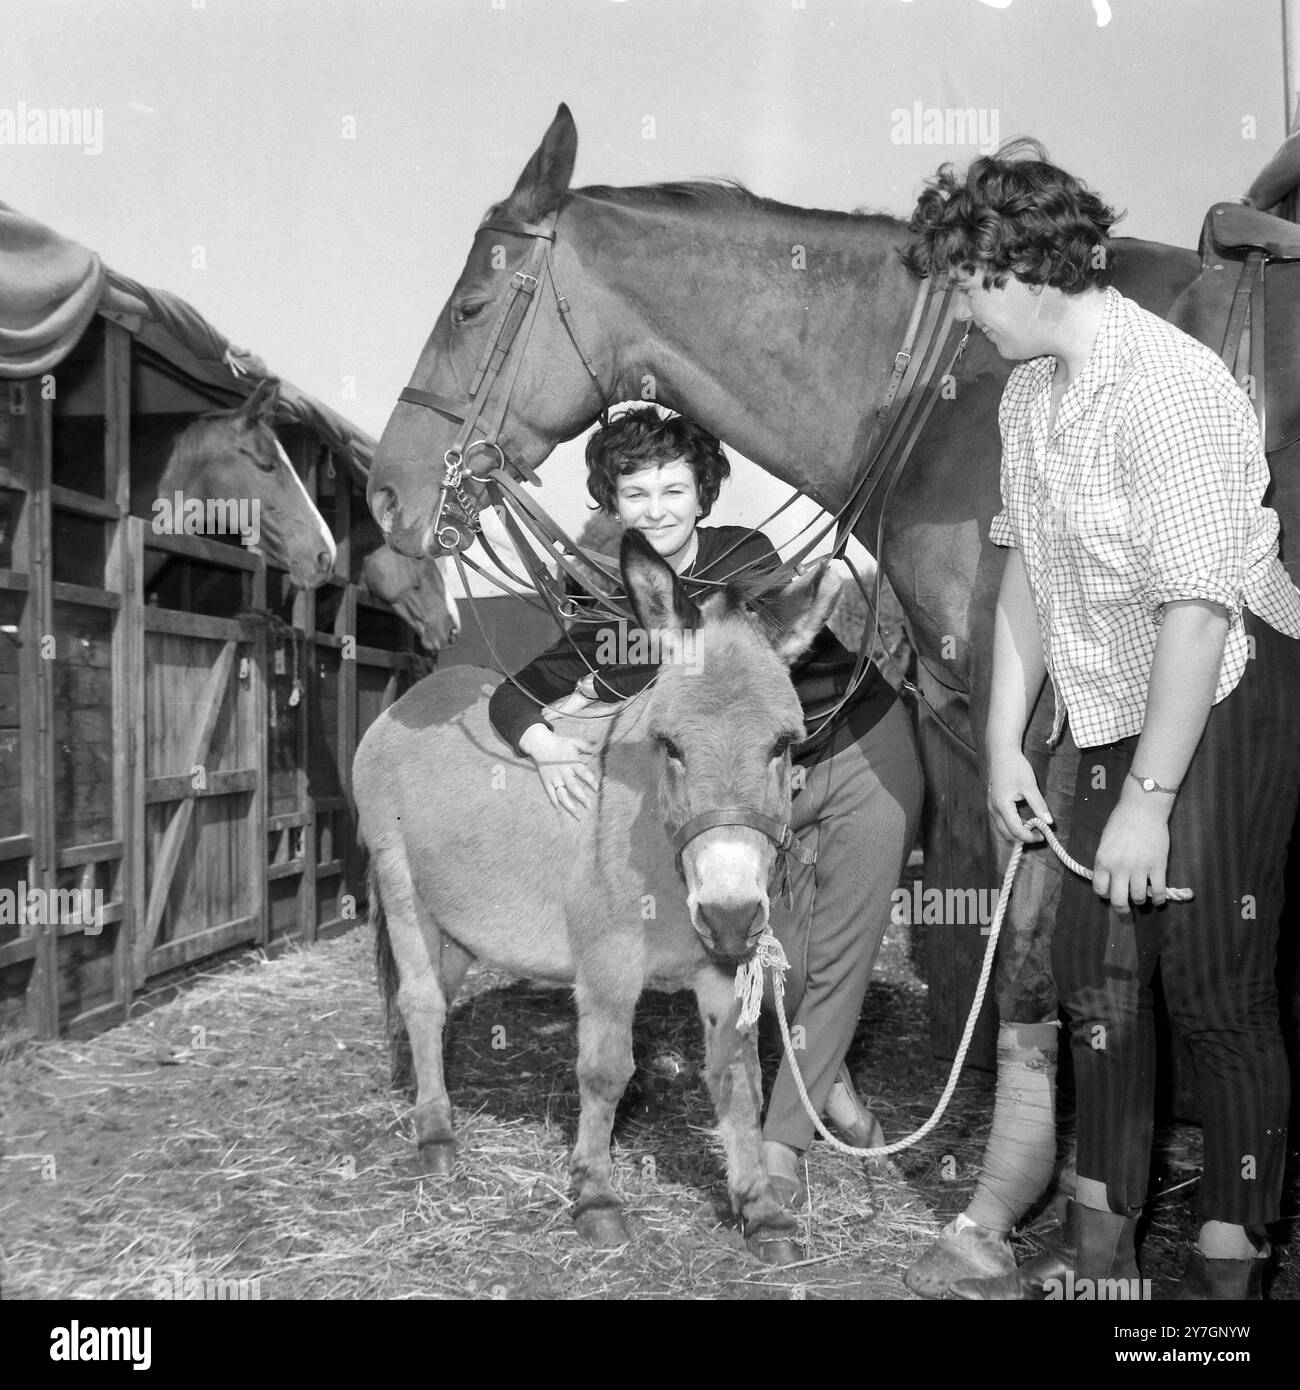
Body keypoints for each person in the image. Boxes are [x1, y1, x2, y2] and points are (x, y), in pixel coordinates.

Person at [902, 141, 1300, 1301]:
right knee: (1098, 981)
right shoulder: (1032, 393)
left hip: (1228, 687)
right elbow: (1024, 571)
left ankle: (1227, 1294)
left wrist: (1148, 802)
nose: (963, 317)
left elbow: (1194, 609)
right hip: (1122, 700)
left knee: (1215, 988)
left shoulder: (1165, 385)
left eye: (967, 288)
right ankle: (1102, 1271)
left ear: (1015, 268)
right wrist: (1001, 744)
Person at [488, 405, 922, 1204]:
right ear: (611, 505)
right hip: (743, 788)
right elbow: (516, 698)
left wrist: (658, 614)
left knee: (846, 939)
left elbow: (730, 617)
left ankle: (813, 1107)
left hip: (855, 745)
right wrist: (543, 742)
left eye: (674, 489)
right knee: (770, 947)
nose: (657, 509)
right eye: (635, 494)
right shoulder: (611, 609)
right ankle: (814, 1088)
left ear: (705, 494)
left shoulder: (742, 557)